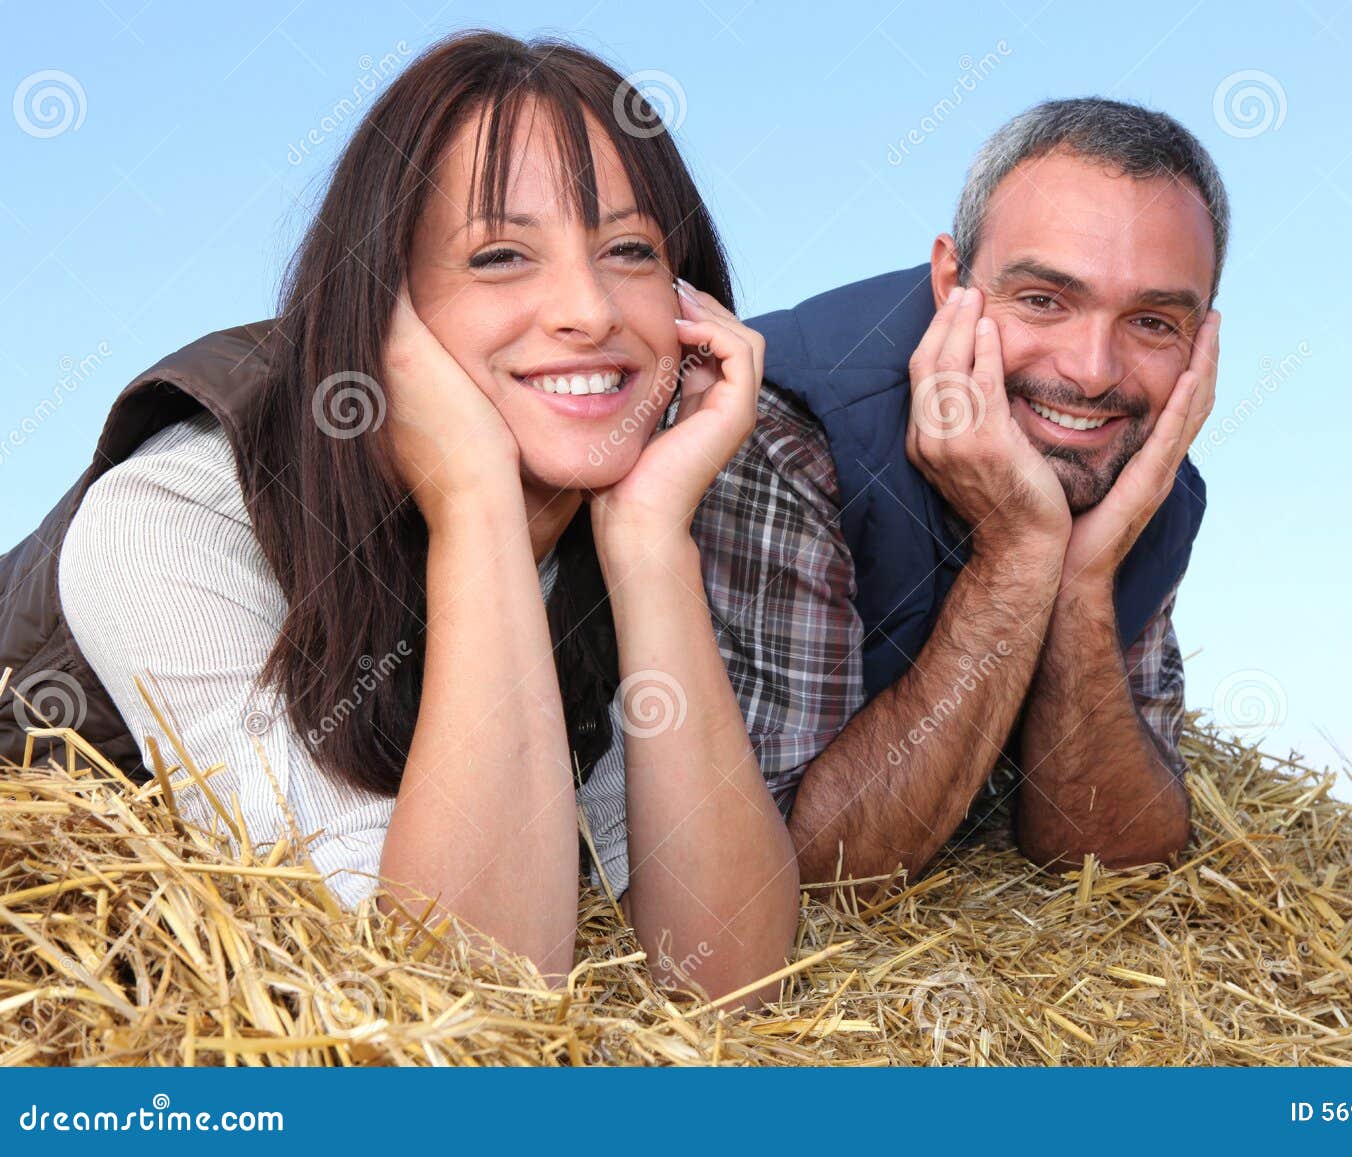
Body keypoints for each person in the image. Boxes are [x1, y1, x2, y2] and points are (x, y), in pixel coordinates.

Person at [7, 32, 798, 998]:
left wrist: (648, 544)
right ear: (383, 304)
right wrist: (472, 505)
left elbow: (727, 978)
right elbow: (453, 998)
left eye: (629, 249)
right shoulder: (173, 514)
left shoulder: (599, 515)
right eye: (501, 255)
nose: (589, 309)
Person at [693, 98, 1224, 894]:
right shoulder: (787, 427)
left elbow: (1107, 858)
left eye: (1152, 322)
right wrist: (1017, 555)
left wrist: (1078, 580)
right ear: (952, 282)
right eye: (1044, 300)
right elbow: (804, 879)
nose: (1092, 371)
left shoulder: (1140, 466)